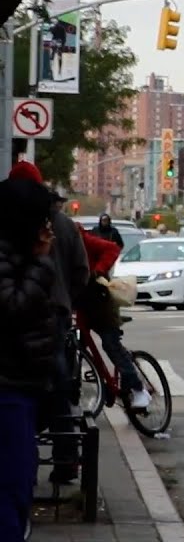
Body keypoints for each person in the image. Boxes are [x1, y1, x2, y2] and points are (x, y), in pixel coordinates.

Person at [8, 161, 89, 486]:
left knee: (21, 388)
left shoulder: (14, 226)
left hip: (26, 317)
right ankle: (66, 457)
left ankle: (29, 453)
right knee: (56, 386)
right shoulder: (66, 226)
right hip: (55, 314)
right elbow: (82, 271)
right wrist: (66, 298)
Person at [0, 177, 61, 541]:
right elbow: (12, 309)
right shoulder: (9, 254)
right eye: (42, 219)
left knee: (19, 485)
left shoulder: (16, 252)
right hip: (7, 391)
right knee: (11, 489)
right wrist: (40, 264)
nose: (48, 229)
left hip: (22, 388)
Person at [78, 226, 150, 410]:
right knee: (76, 345)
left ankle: (138, 388)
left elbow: (112, 248)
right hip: (79, 301)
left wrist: (99, 271)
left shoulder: (83, 238)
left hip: (100, 300)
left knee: (110, 343)